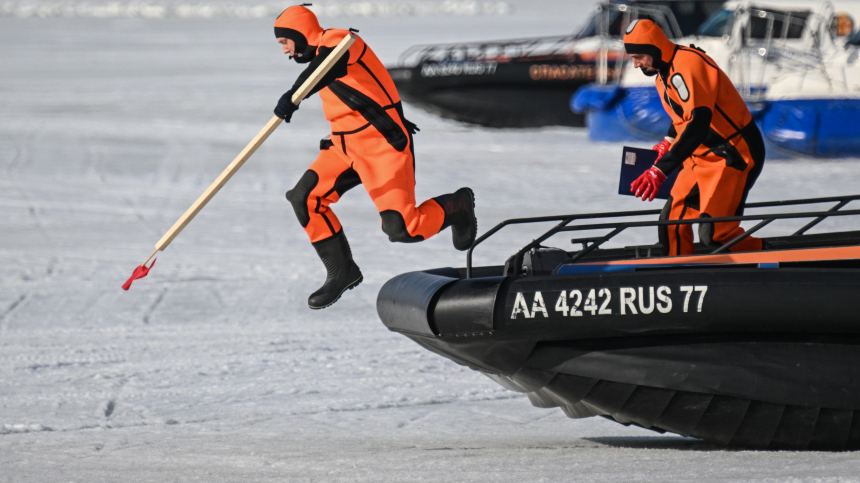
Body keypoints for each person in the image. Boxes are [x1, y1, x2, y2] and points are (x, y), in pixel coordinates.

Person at [273, 5, 477, 309]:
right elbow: (319, 68)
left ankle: (456, 207)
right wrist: (296, 94)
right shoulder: (319, 57)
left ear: (300, 33)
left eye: (285, 42)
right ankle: (342, 271)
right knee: (304, 198)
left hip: (382, 146)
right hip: (343, 147)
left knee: (402, 229)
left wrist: (293, 96)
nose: (287, 52)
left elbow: (328, 65)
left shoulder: (342, 41)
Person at [624, 19, 766, 256]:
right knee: (671, 222)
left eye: (639, 56)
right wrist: (668, 143)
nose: (636, 64)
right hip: (700, 154)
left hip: (733, 154)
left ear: (654, 48)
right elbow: (683, 115)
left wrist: (661, 169)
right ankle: (677, 274)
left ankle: (769, 258)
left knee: (715, 236)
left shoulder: (688, 64)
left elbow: (699, 123)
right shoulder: (662, 74)